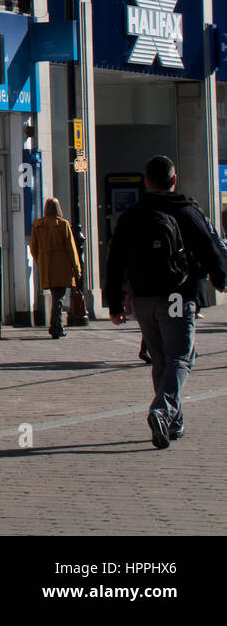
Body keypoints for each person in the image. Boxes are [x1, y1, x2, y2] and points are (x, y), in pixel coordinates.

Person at [105, 155, 227, 449]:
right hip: (177, 294)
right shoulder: (185, 211)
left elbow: (115, 261)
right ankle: (162, 411)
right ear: (174, 180)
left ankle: (173, 421)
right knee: (181, 357)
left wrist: (115, 303)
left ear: (147, 181)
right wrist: (220, 279)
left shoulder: (132, 215)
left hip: (143, 298)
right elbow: (210, 247)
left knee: (160, 359)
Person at [30, 197, 82, 339]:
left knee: (56, 296)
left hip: (46, 265)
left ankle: (56, 326)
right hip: (62, 264)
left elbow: (33, 248)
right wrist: (76, 267)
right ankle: (56, 326)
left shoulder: (37, 225)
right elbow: (71, 248)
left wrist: (40, 260)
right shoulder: (63, 224)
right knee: (59, 297)